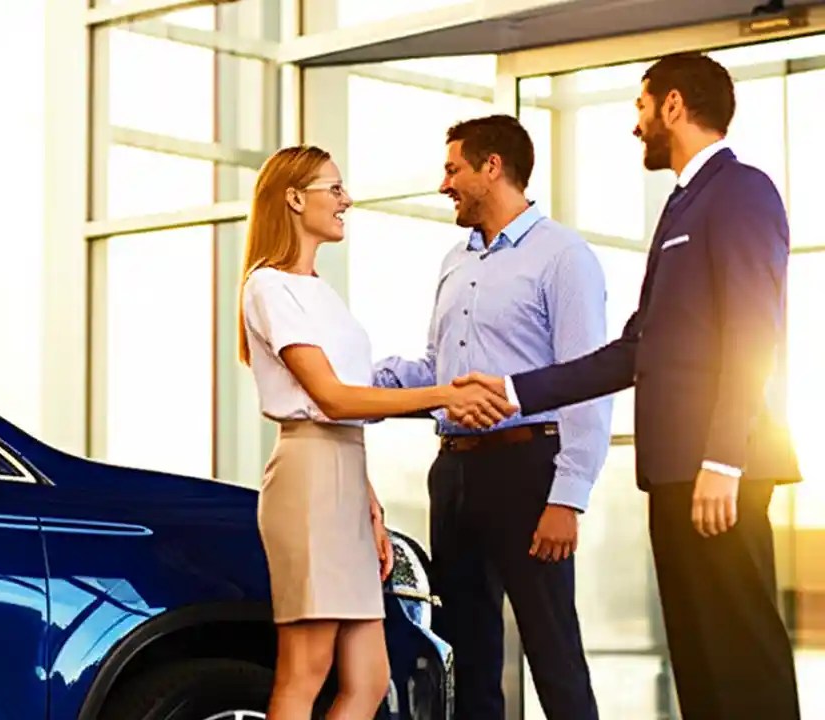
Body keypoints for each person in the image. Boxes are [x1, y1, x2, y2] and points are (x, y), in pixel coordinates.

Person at [455, 53, 802, 719]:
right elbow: (633, 351)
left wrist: (724, 459)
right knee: (699, 658)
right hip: (676, 475)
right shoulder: (681, 206)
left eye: (642, 107)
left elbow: (756, 331)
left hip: (715, 473)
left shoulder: (741, 190)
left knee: (741, 655)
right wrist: (513, 389)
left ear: (674, 105)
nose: (635, 125)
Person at [238, 144, 515, 719]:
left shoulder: (317, 289)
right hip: (308, 481)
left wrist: (368, 502)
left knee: (368, 679)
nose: (347, 200)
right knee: (304, 671)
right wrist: (443, 395)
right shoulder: (269, 288)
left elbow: (348, 409)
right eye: (333, 189)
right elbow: (332, 398)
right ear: (294, 198)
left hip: (343, 474)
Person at [372, 114, 610, 720]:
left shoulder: (563, 256)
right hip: (453, 474)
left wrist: (569, 497)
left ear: (492, 166)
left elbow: (589, 381)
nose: (444, 183)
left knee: (553, 654)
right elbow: (437, 367)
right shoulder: (456, 259)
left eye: (453, 168)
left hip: (527, 473)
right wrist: (351, 384)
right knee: (470, 655)